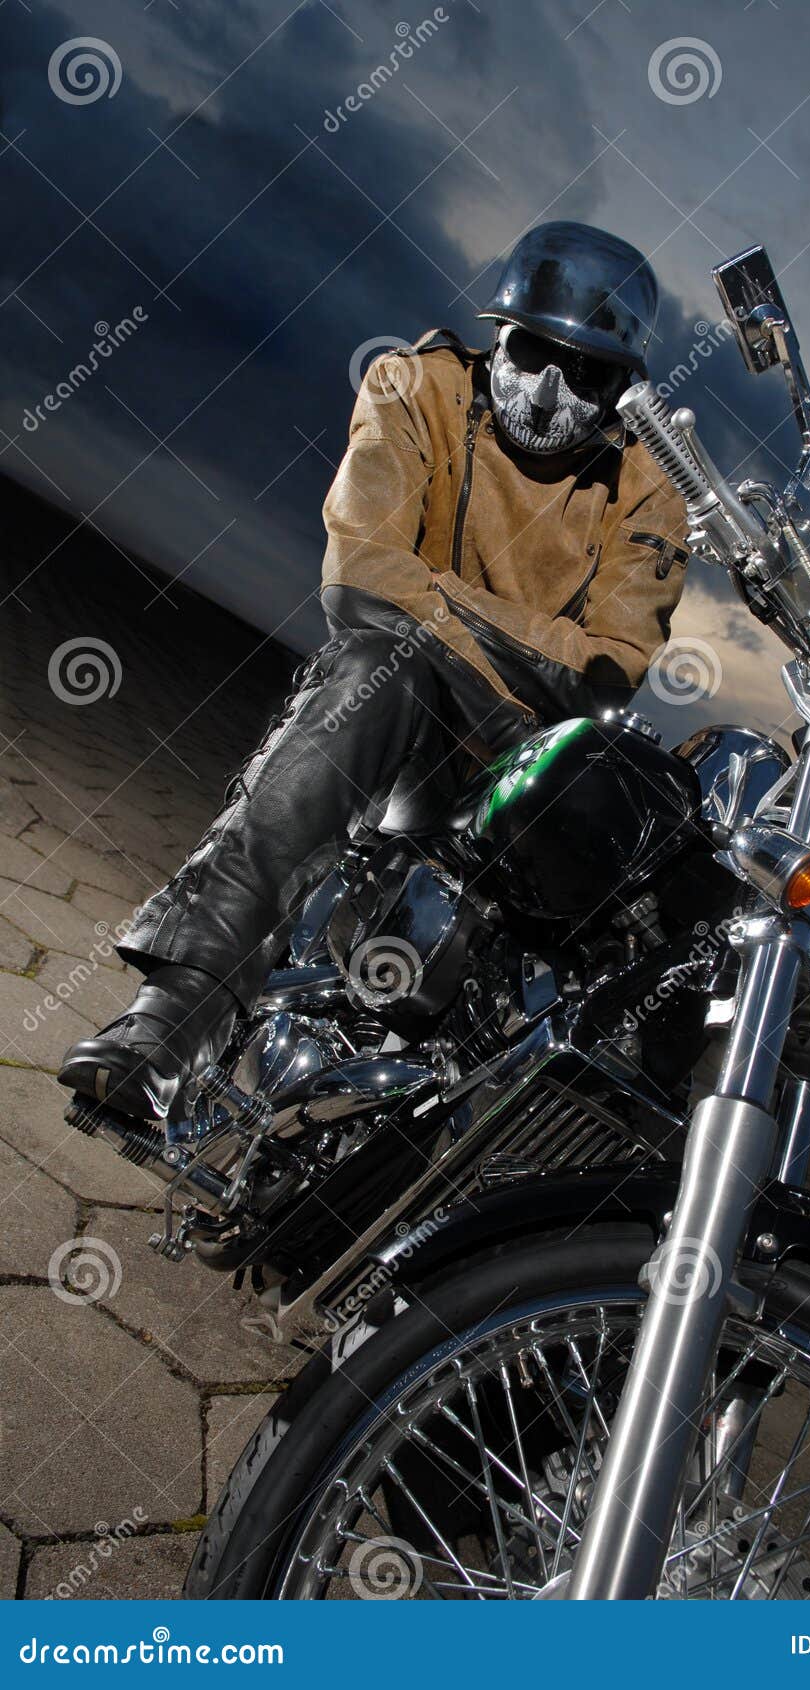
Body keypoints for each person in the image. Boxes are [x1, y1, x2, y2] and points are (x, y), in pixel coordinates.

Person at [58, 220, 690, 1122]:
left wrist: (430, 599)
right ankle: (173, 1022)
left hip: (522, 756)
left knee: (650, 843)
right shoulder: (413, 384)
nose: (550, 393)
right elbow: (360, 576)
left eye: (585, 374)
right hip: (401, 708)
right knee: (377, 663)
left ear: (623, 390)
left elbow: (604, 672)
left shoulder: (651, 488)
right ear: (492, 339)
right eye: (532, 353)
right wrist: (509, 648)